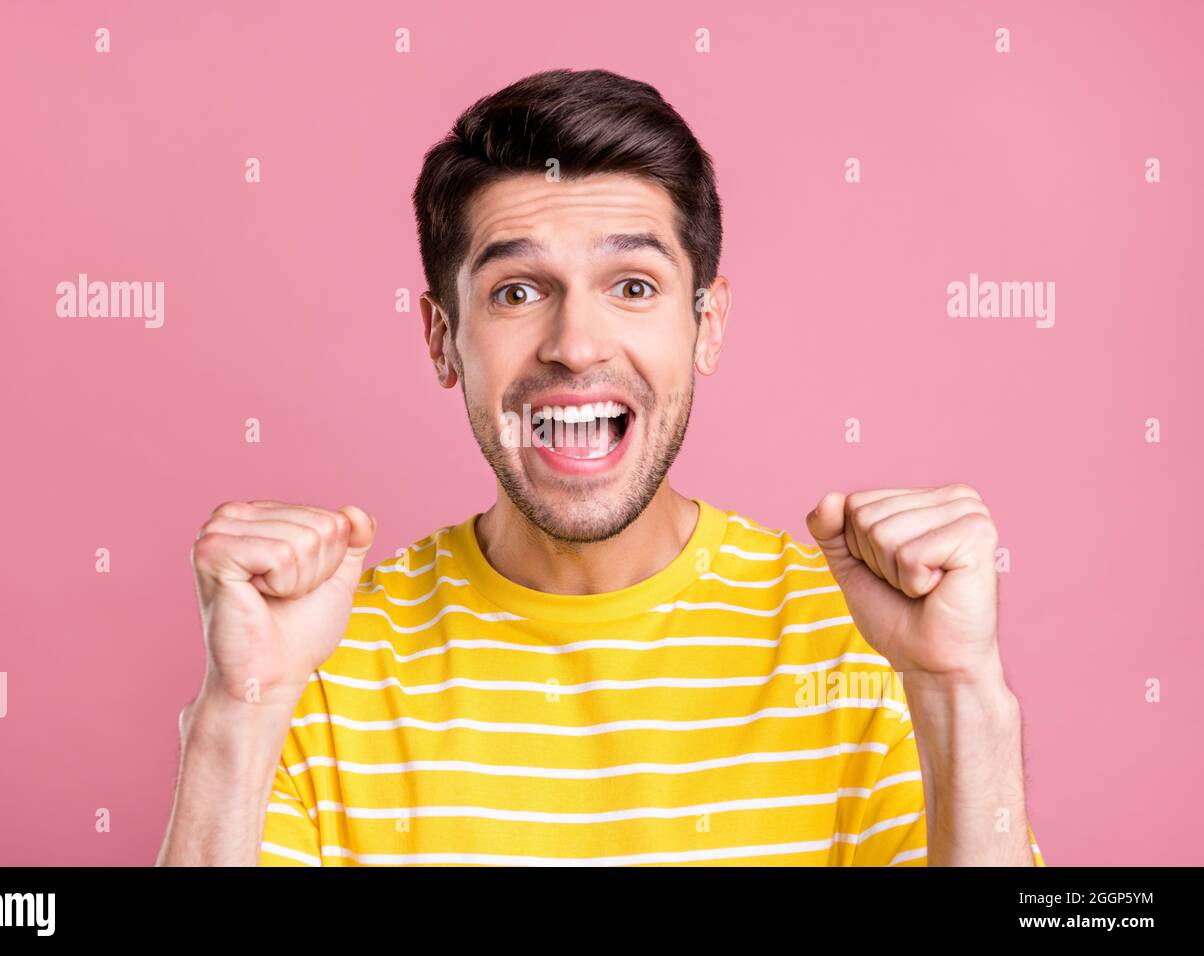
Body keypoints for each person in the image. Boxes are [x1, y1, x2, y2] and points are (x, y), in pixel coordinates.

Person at [156, 68, 1044, 867]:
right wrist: (239, 713)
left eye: (633, 286)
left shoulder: (867, 643)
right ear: (442, 339)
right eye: (516, 292)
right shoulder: (314, 658)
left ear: (710, 323)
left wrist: (960, 693)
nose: (576, 346)